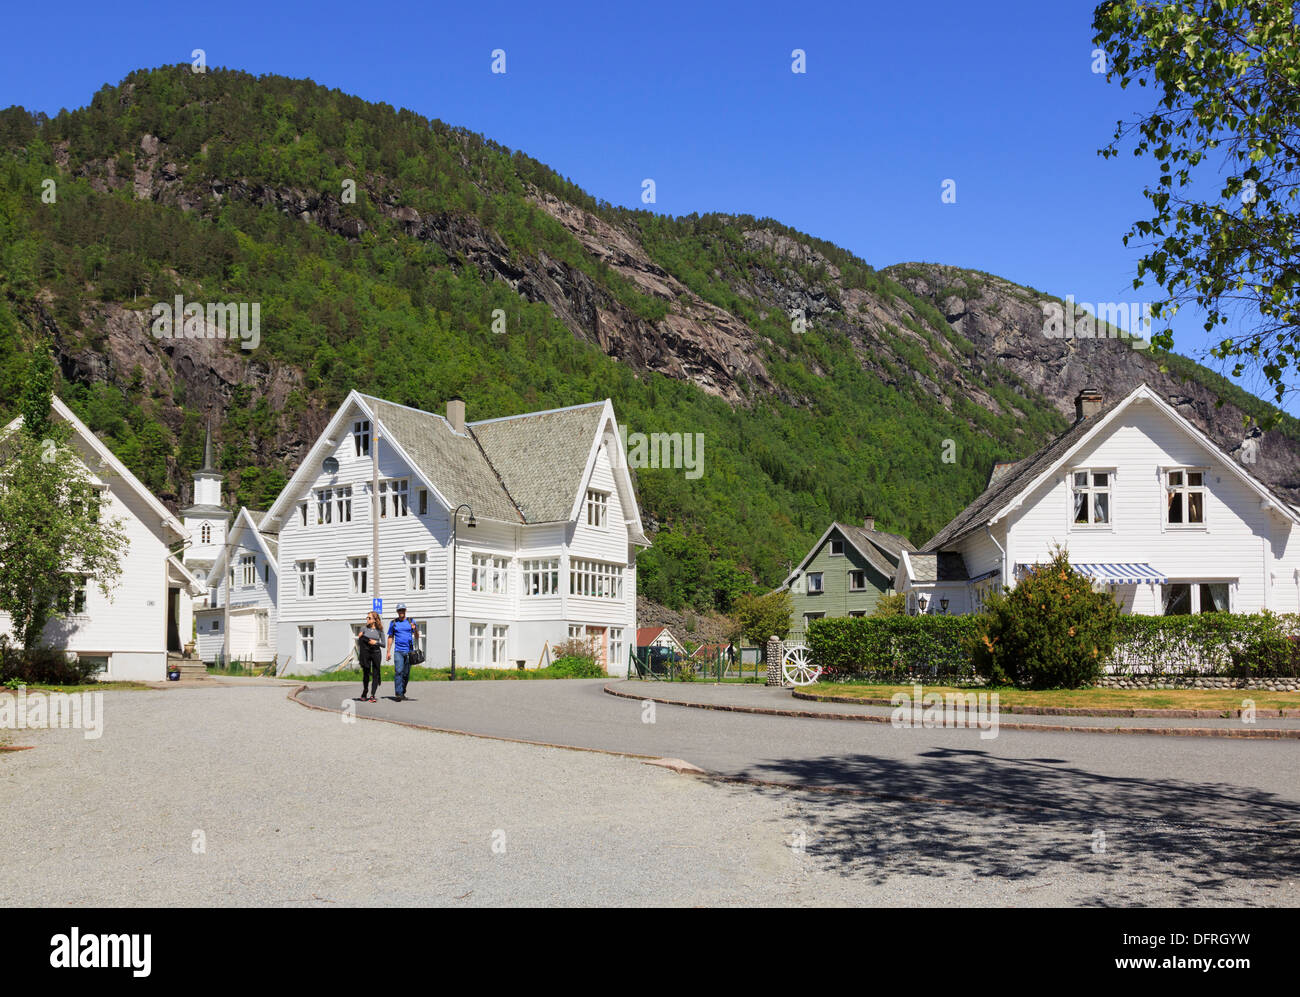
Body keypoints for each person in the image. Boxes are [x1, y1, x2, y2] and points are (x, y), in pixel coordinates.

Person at [386, 604, 420, 701]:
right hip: (398, 651)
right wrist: (388, 652)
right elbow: (390, 637)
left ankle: (402, 692)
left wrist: (415, 629)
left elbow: (417, 636)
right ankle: (398, 693)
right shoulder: (393, 623)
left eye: (403, 610)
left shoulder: (411, 621)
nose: (401, 612)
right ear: (397, 611)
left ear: (405, 610)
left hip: (409, 652)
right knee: (399, 671)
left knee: (406, 674)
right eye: (399, 610)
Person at [358, 612, 384, 702]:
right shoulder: (363, 628)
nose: (367, 619)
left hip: (376, 653)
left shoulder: (380, 630)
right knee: (366, 673)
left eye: (369, 618)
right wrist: (361, 637)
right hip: (366, 653)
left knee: (376, 674)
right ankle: (365, 691)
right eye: (367, 617)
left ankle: (373, 695)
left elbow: (383, 644)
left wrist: (376, 642)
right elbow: (360, 637)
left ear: (374, 620)